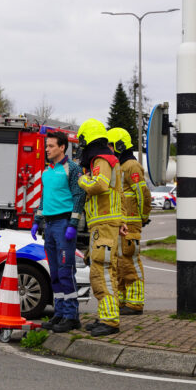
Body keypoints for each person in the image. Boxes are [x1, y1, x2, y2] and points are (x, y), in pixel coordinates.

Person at [76, 119, 127, 337]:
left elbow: (100, 185)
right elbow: (120, 195)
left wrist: (82, 181)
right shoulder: (107, 160)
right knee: (103, 272)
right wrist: (123, 220)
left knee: (102, 273)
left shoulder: (101, 160)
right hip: (105, 224)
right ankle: (107, 317)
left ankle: (110, 321)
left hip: (104, 224)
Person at [32, 130, 85, 333]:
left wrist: (73, 224)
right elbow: (44, 198)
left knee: (65, 271)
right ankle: (60, 313)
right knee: (54, 272)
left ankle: (72, 316)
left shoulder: (72, 169)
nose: (47, 149)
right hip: (50, 225)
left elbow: (79, 197)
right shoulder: (47, 171)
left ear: (62, 147)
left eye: (51, 146)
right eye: (47, 146)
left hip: (64, 224)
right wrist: (37, 220)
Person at [107, 127, 151, 316]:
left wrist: (143, 216)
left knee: (130, 263)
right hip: (121, 223)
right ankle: (124, 300)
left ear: (119, 145)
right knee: (120, 264)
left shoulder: (131, 166)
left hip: (130, 224)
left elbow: (143, 194)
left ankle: (135, 303)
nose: (108, 149)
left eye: (110, 145)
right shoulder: (120, 167)